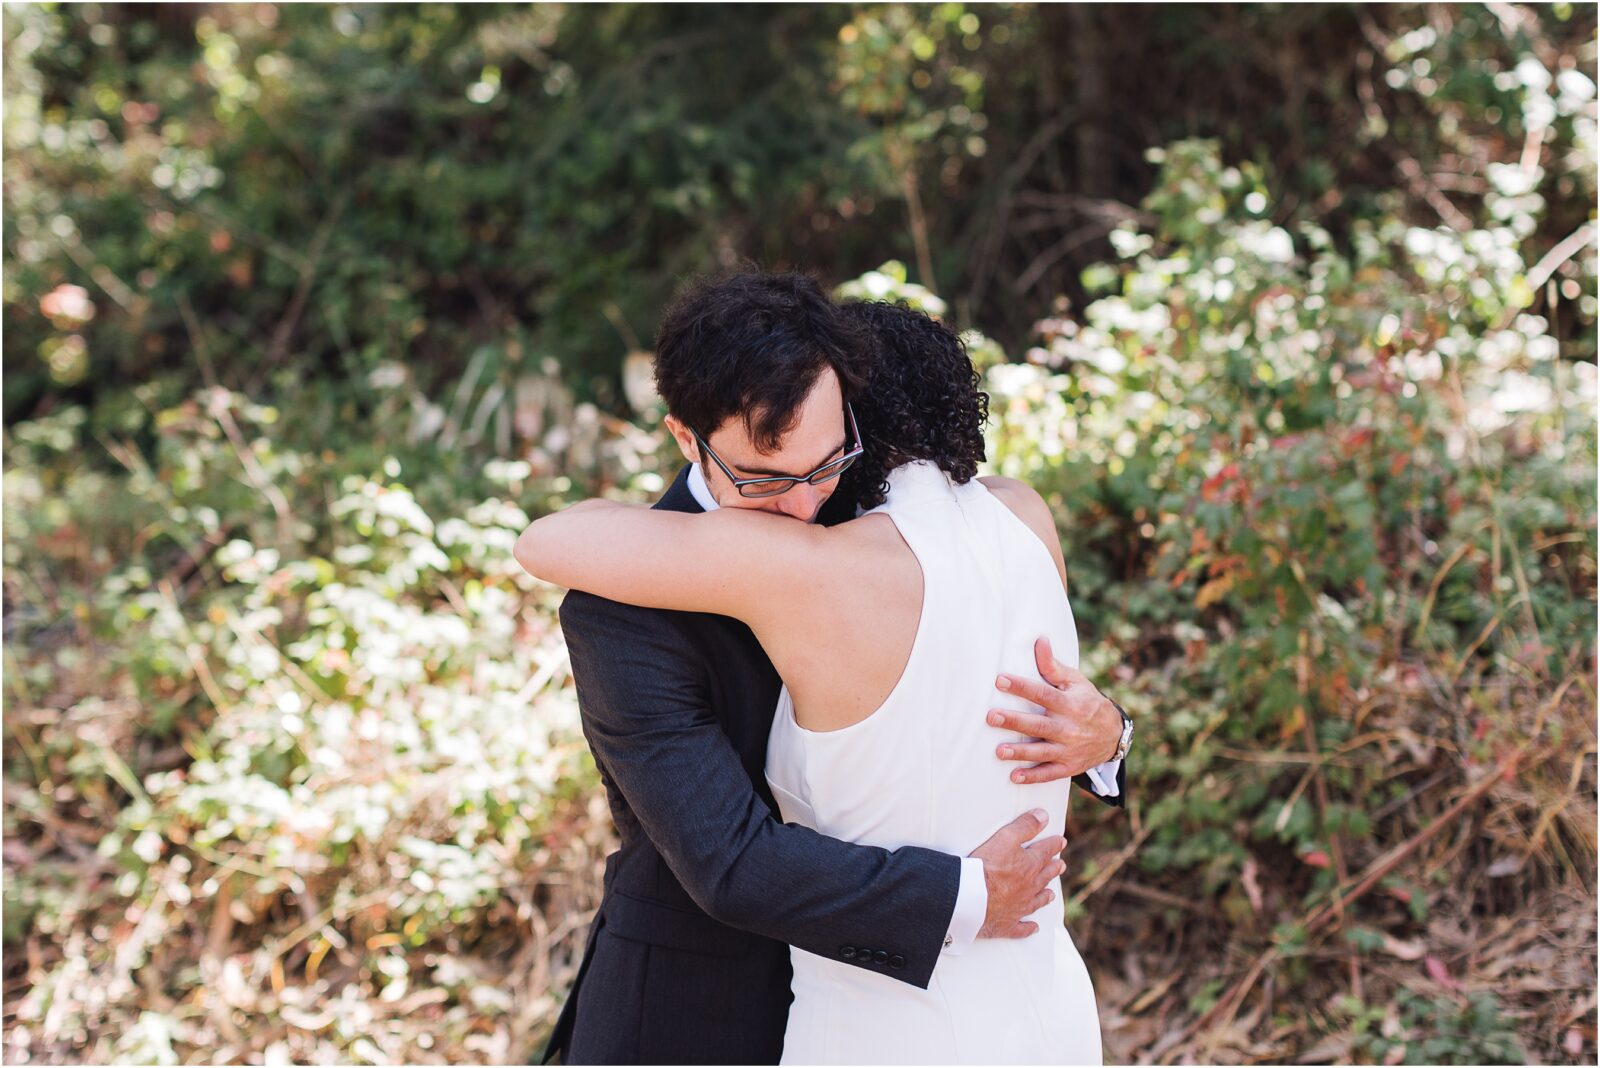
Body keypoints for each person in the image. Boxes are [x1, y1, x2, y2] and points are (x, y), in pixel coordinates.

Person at [518, 271, 1132, 1064]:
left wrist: (1108, 733)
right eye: (768, 478)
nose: (807, 503)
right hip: (696, 1012)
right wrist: (967, 895)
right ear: (685, 438)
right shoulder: (616, 608)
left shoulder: (866, 511)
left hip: (902, 1003)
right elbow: (729, 860)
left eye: (828, 460)